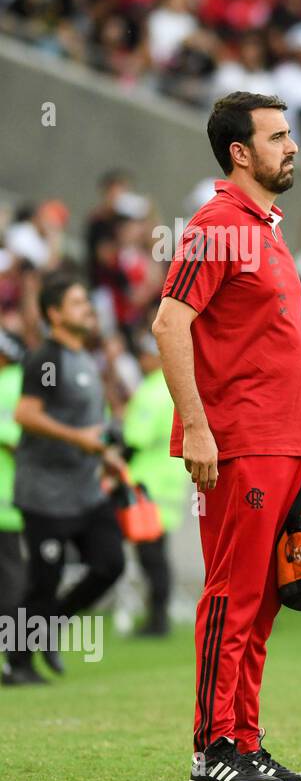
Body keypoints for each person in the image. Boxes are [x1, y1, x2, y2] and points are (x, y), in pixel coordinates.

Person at [152, 91, 301, 781]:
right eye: (277, 136)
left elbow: (255, 342)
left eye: (291, 134)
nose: (292, 146)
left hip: (283, 432)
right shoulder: (216, 224)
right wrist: (199, 427)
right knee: (232, 597)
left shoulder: (261, 226)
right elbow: (169, 325)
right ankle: (213, 748)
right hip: (239, 441)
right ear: (240, 152)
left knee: (264, 600)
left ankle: (244, 738)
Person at [10, 273, 128, 682]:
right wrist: (78, 438)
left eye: (86, 301)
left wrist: (107, 457)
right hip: (46, 492)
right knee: (44, 582)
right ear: (54, 314)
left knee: (110, 563)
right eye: (77, 303)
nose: (88, 309)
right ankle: (17, 663)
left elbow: (87, 424)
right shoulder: (47, 359)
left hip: (85, 489)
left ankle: (53, 625)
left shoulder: (85, 358)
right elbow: (26, 414)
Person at [121, 330, 189, 635]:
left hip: (148, 485)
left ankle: (157, 620)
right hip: (169, 483)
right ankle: (158, 616)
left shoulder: (150, 391)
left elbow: (134, 439)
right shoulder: (173, 387)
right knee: (157, 555)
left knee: (150, 557)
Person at [0, 331, 30, 684]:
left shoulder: (12, 382)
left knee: (11, 580)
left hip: (8, 499)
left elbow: (15, 438)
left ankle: (14, 656)